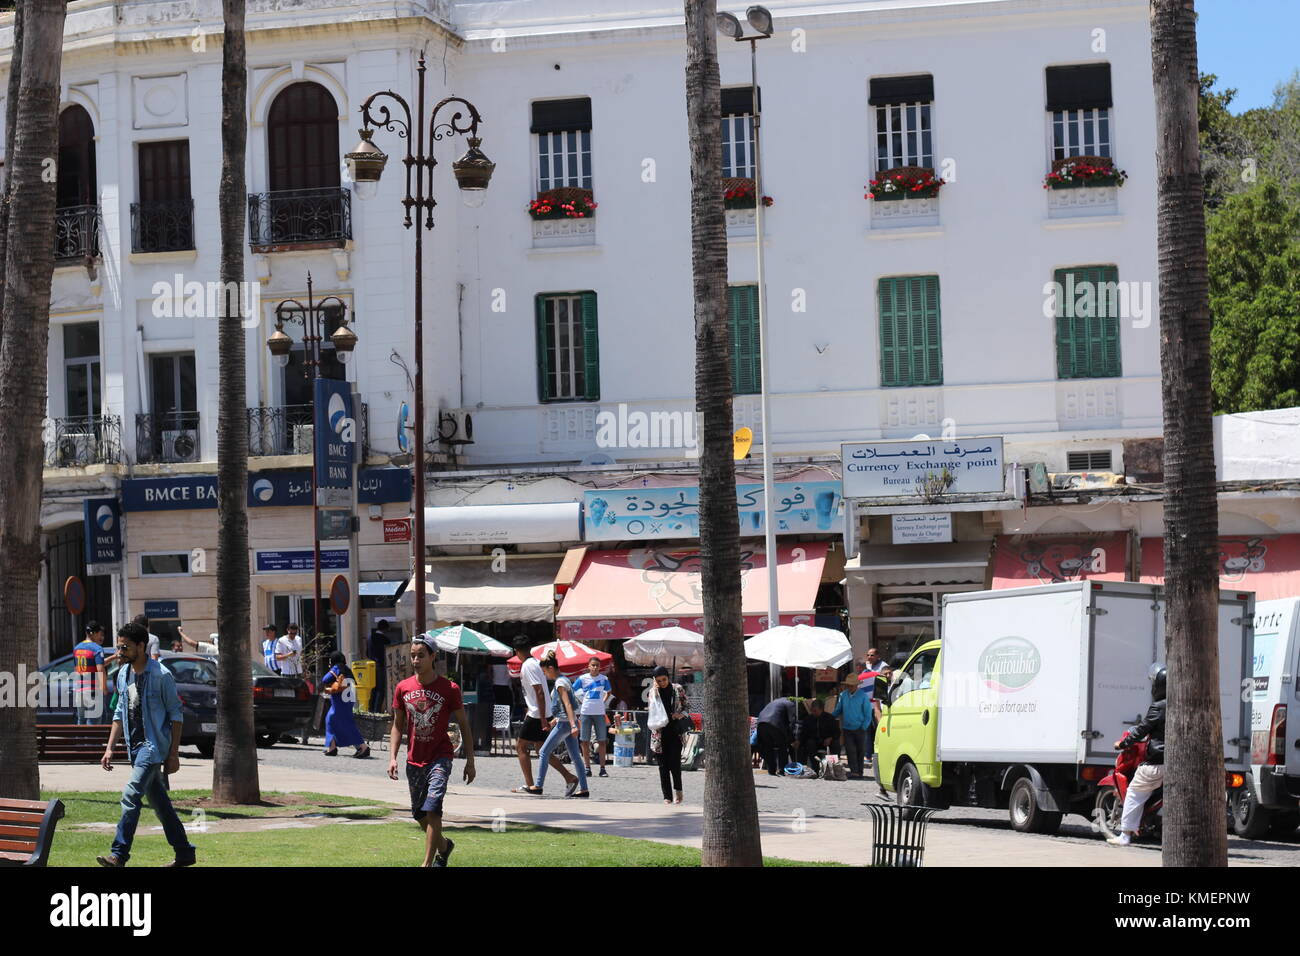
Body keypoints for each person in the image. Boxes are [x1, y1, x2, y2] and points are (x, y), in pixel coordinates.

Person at [97, 622, 196, 868]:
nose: (120, 652)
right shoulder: (123, 674)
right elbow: (119, 713)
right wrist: (110, 748)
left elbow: (176, 715)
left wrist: (173, 755)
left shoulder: (161, 675)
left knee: (131, 796)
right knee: (162, 806)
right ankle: (184, 853)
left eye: (126, 647)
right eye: (119, 647)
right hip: (134, 747)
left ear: (141, 646)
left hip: (152, 748)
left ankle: (118, 854)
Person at [388, 635, 473, 866]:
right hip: (415, 759)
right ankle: (444, 846)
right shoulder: (403, 687)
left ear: (433, 657)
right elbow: (397, 725)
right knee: (419, 814)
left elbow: (464, 724)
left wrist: (470, 761)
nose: (415, 660)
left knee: (433, 809)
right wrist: (393, 757)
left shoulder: (449, 688)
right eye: (413, 655)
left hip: (440, 757)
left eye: (421, 655)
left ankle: (428, 863)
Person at [1107, 663, 1166, 847]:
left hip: (1157, 763)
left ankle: (1125, 836)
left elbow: (1141, 730)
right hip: (1182, 765)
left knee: (1134, 793)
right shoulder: (1183, 704)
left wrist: (1123, 743)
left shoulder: (1159, 707)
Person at [512, 651, 574, 794]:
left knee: (521, 747)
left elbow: (539, 691)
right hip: (541, 712)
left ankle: (530, 785)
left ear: (517, 651)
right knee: (542, 749)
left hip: (537, 713)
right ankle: (569, 777)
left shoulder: (528, 665)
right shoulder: (535, 662)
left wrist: (542, 718)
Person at [534, 659, 589, 797]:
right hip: (567, 721)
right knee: (575, 756)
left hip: (566, 724)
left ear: (551, 668)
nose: (545, 674)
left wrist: (572, 725)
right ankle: (584, 788)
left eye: (545, 671)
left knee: (543, 752)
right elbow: (567, 705)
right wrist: (557, 721)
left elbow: (567, 704)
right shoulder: (565, 679)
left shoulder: (559, 683)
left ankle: (538, 785)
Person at [649, 666, 689, 804]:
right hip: (659, 734)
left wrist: (680, 714)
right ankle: (667, 796)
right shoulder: (653, 692)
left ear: (668, 677)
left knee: (675, 764)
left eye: (664, 679)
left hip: (675, 732)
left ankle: (678, 792)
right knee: (662, 766)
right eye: (659, 680)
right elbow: (652, 709)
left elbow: (686, 706)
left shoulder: (677, 689)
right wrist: (655, 690)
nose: (662, 683)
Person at [321, 651, 371, 758]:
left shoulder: (336, 668)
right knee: (330, 719)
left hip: (340, 701)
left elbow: (325, 679)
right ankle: (332, 747)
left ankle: (363, 747)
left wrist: (330, 684)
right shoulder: (347, 669)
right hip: (348, 700)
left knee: (345, 724)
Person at [571, 657, 612, 776]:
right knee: (584, 741)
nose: (595, 667)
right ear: (588, 666)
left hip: (599, 712)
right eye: (593, 665)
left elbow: (609, 691)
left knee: (602, 741)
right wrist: (580, 701)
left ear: (600, 667)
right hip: (586, 712)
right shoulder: (582, 678)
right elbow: (572, 690)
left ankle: (602, 768)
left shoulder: (604, 679)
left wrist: (603, 701)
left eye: (597, 665)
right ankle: (587, 767)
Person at [832, 673, 873, 778]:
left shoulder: (863, 696)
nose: (849, 687)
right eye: (848, 685)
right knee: (850, 750)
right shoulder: (843, 695)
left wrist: (863, 727)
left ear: (856, 685)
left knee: (860, 751)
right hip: (847, 728)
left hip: (860, 728)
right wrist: (830, 717)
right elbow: (838, 710)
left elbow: (868, 714)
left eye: (851, 685)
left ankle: (860, 771)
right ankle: (854, 771)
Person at [72, 622, 107, 725]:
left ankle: (80, 741)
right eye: (99, 633)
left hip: (80, 691)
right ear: (95, 633)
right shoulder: (97, 648)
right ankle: (92, 742)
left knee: (81, 721)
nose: (100, 636)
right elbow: (100, 669)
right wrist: (104, 688)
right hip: (93, 691)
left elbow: (76, 669)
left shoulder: (77, 648)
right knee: (93, 723)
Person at [755, 695, 798, 775]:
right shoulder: (790, 703)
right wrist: (792, 738)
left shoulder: (774, 702)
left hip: (761, 723)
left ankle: (771, 769)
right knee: (782, 746)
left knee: (768, 747)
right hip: (774, 723)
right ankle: (782, 769)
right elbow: (792, 721)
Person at [797, 698, 839, 772]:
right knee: (809, 744)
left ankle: (833, 767)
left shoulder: (829, 718)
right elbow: (804, 733)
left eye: (815, 711)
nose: (813, 712)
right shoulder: (808, 719)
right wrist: (799, 741)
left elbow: (837, 732)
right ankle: (815, 768)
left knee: (836, 744)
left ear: (821, 709)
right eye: (812, 711)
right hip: (814, 741)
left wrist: (830, 738)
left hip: (827, 741)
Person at [366, 619, 392, 705]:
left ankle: (371, 709)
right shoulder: (385, 639)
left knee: (373, 688)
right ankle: (377, 710)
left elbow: (367, 652)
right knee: (381, 689)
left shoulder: (370, 638)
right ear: (385, 628)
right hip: (380, 666)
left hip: (370, 666)